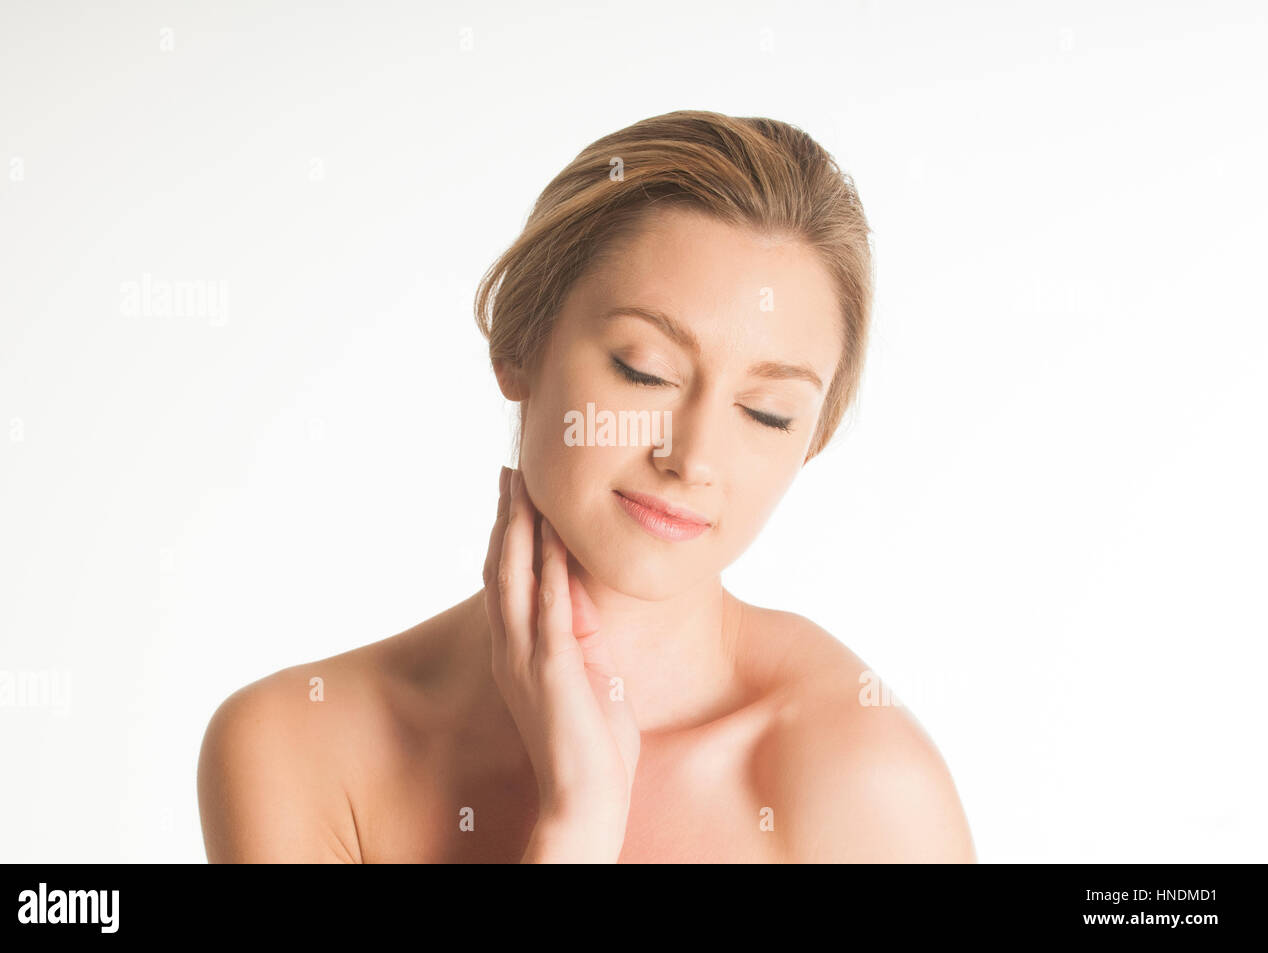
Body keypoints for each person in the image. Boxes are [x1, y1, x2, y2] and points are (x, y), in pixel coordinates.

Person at [197, 110, 977, 863]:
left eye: (766, 414)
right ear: (519, 343)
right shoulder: (297, 746)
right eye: (645, 370)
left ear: (815, 440)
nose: (691, 456)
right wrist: (579, 817)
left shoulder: (865, 781)